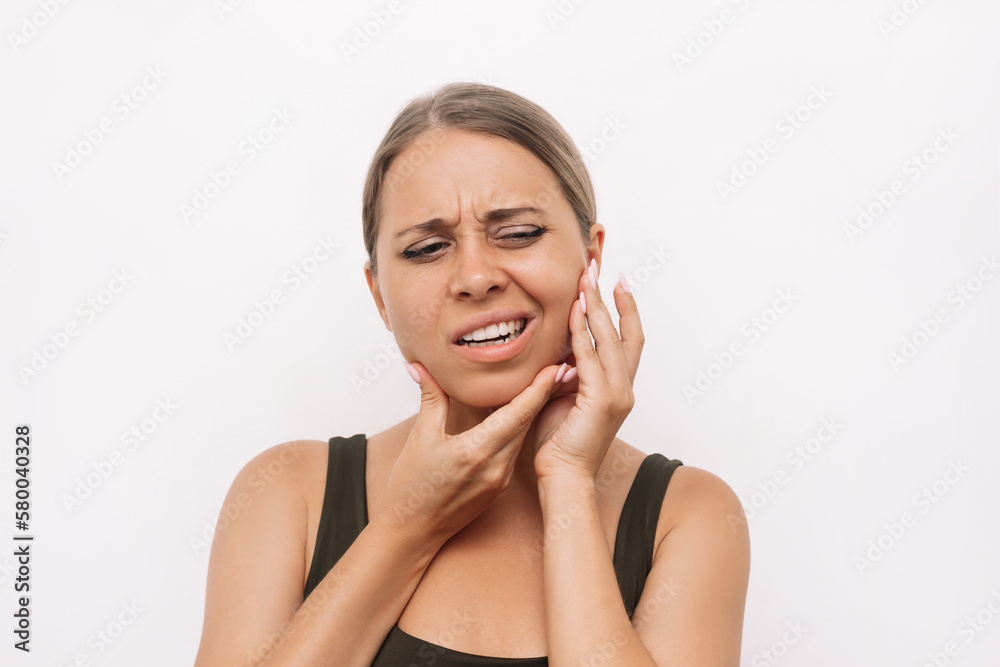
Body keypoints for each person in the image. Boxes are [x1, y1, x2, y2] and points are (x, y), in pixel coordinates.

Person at [193, 82, 750, 666]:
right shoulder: (287, 494)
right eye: (427, 248)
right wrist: (410, 524)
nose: (476, 276)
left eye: (518, 234)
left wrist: (567, 481)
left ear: (590, 260)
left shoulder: (688, 517)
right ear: (379, 296)